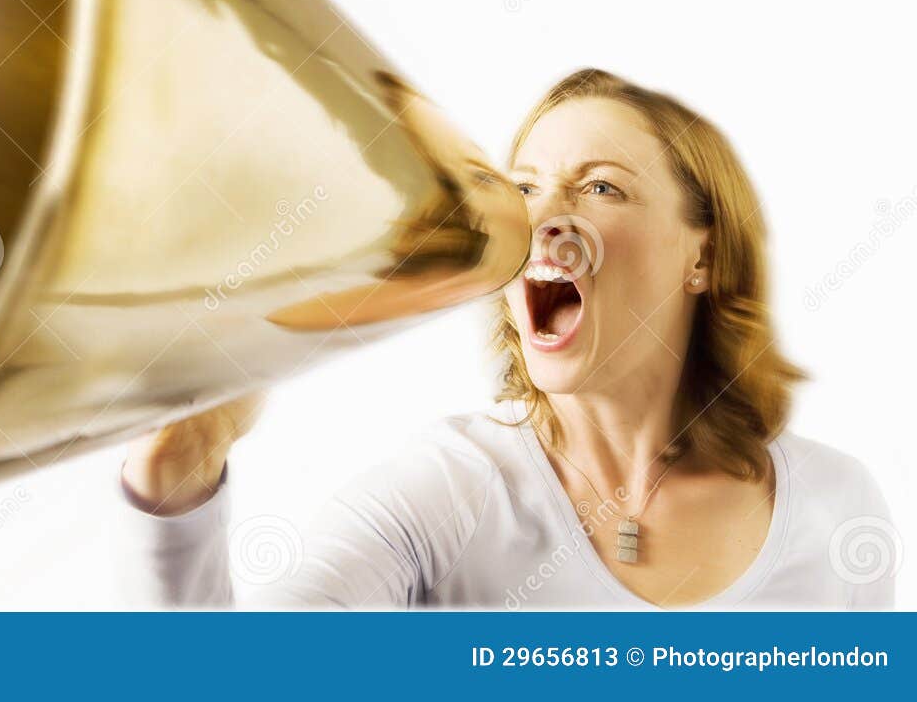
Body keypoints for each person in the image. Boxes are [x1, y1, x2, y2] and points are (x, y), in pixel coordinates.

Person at [115, 68, 897, 608]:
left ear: (702, 254)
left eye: (601, 186)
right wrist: (178, 481)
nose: (544, 215)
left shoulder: (836, 508)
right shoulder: (449, 492)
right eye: (524, 186)